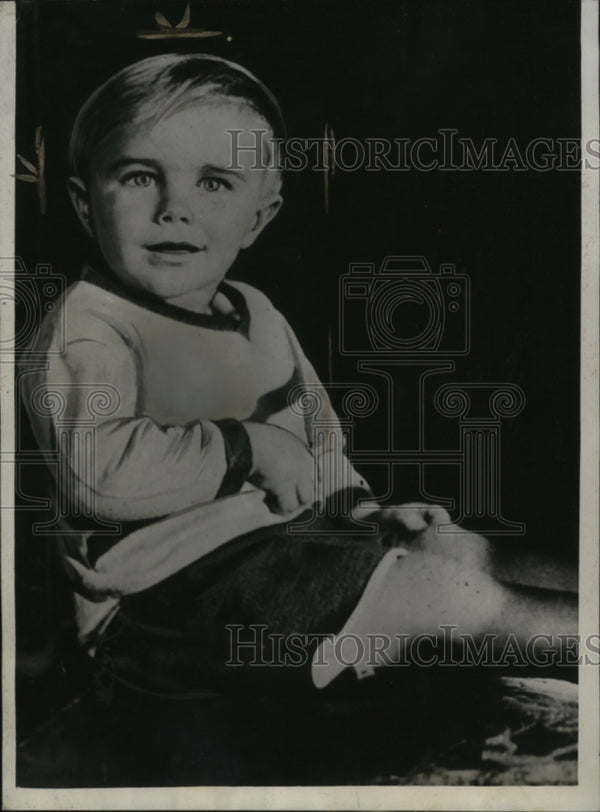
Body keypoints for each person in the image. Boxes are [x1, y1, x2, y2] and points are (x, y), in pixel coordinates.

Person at [22, 53, 577, 698]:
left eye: (214, 183)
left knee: (454, 549)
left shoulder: (257, 313)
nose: (175, 208)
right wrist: (245, 446)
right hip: (161, 609)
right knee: (434, 591)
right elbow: (95, 473)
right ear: (85, 203)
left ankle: (543, 651)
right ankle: (553, 647)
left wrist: (363, 512)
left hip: (283, 558)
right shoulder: (89, 327)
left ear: (258, 217)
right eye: (141, 177)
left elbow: (318, 445)